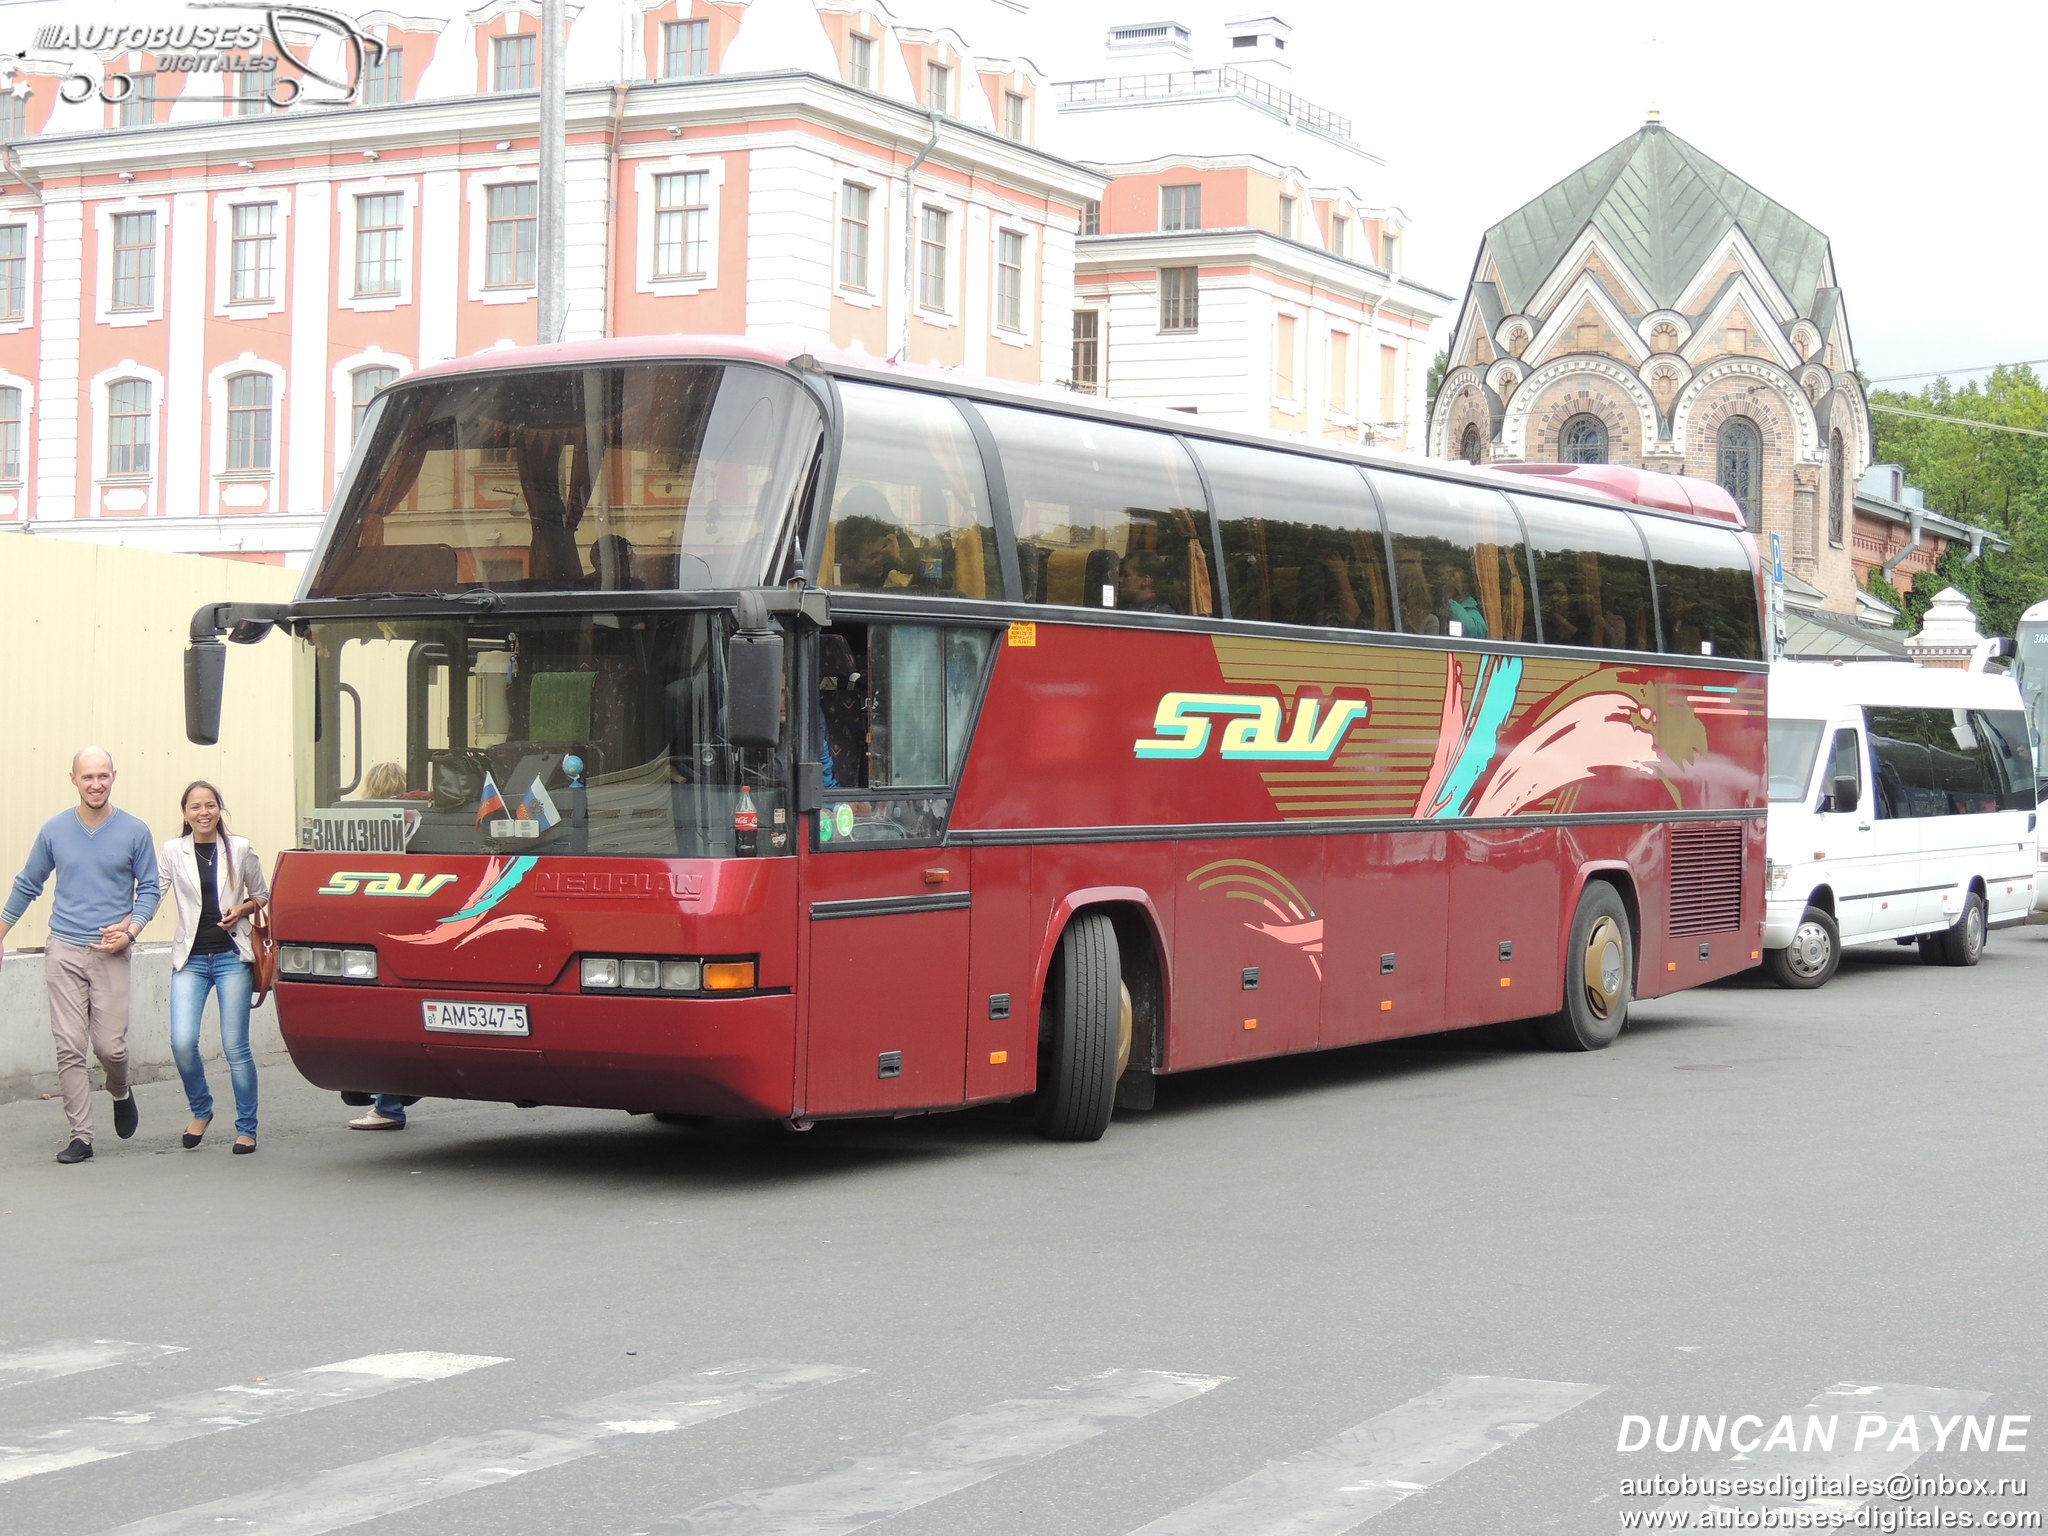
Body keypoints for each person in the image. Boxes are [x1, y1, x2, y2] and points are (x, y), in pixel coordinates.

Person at [0, 748, 161, 1164]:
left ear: (114, 777)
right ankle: (81, 1137)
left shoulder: (134, 830)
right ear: (73, 779)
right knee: (69, 1046)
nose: (96, 784)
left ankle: (120, 1090)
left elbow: (150, 889)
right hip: (64, 949)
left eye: (103, 776)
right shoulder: (55, 830)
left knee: (112, 1048)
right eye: (88, 777)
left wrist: (130, 931)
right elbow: (28, 883)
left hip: (111, 951)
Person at [159, 782, 268, 1154]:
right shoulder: (173, 851)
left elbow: (263, 894)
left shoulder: (239, 847)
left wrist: (242, 909)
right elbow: (152, 892)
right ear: (185, 813)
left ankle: (247, 1127)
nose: (203, 812)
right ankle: (201, 1108)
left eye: (210, 805)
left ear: (219, 808)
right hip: (190, 958)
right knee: (182, 1041)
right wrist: (127, 923)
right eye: (194, 807)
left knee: (235, 1046)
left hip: (231, 957)